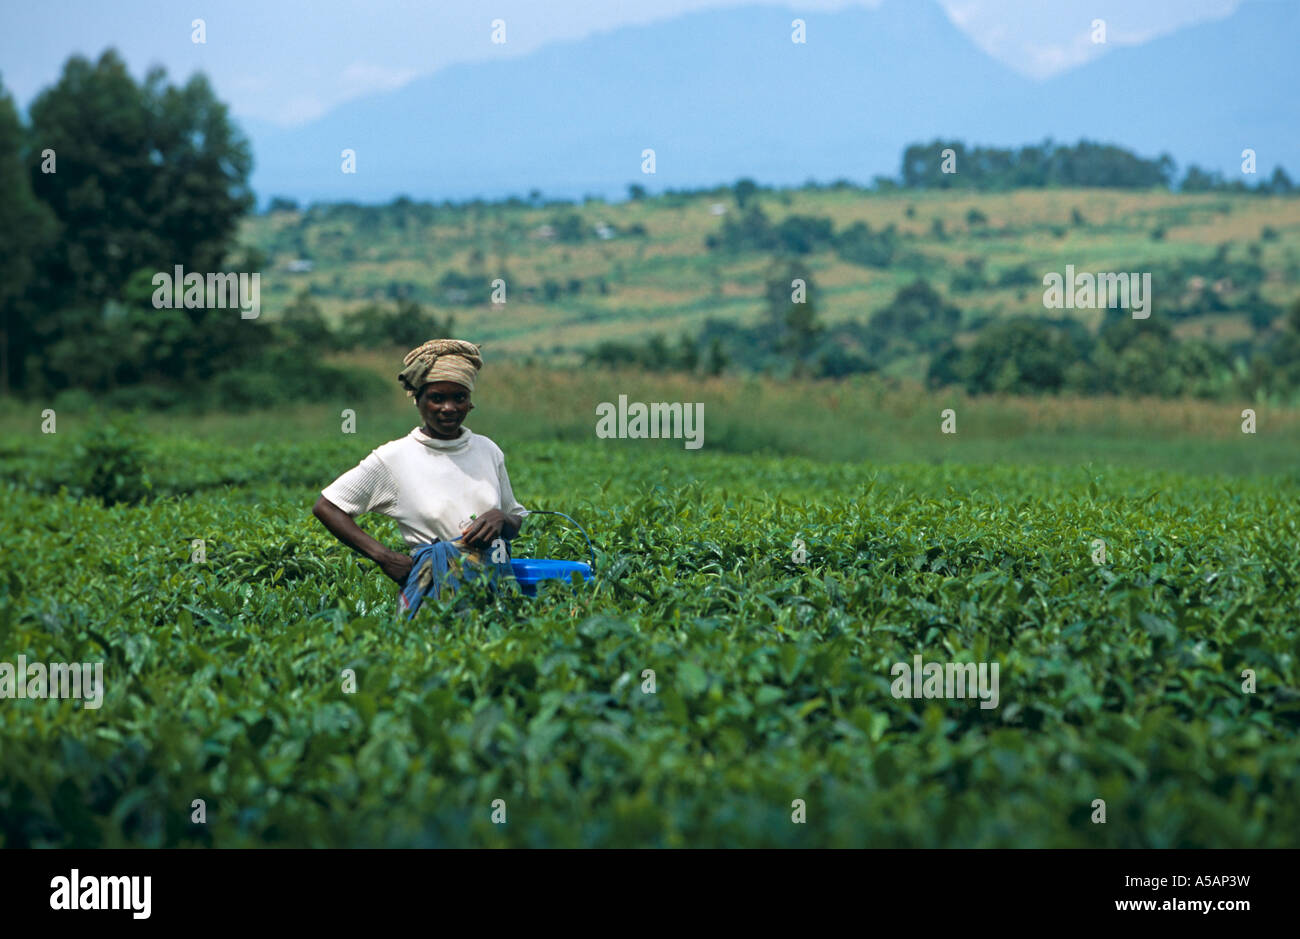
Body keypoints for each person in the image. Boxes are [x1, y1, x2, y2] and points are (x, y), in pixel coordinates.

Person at [312, 339, 528, 618]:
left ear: (470, 402)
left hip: (495, 590)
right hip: (432, 596)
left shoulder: (488, 450)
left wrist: (501, 518)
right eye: (437, 398)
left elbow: (515, 519)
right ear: (418, 400)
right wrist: (385, 558)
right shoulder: (395, 457)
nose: (448, 407)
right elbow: (327, 507)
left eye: (459, 397)